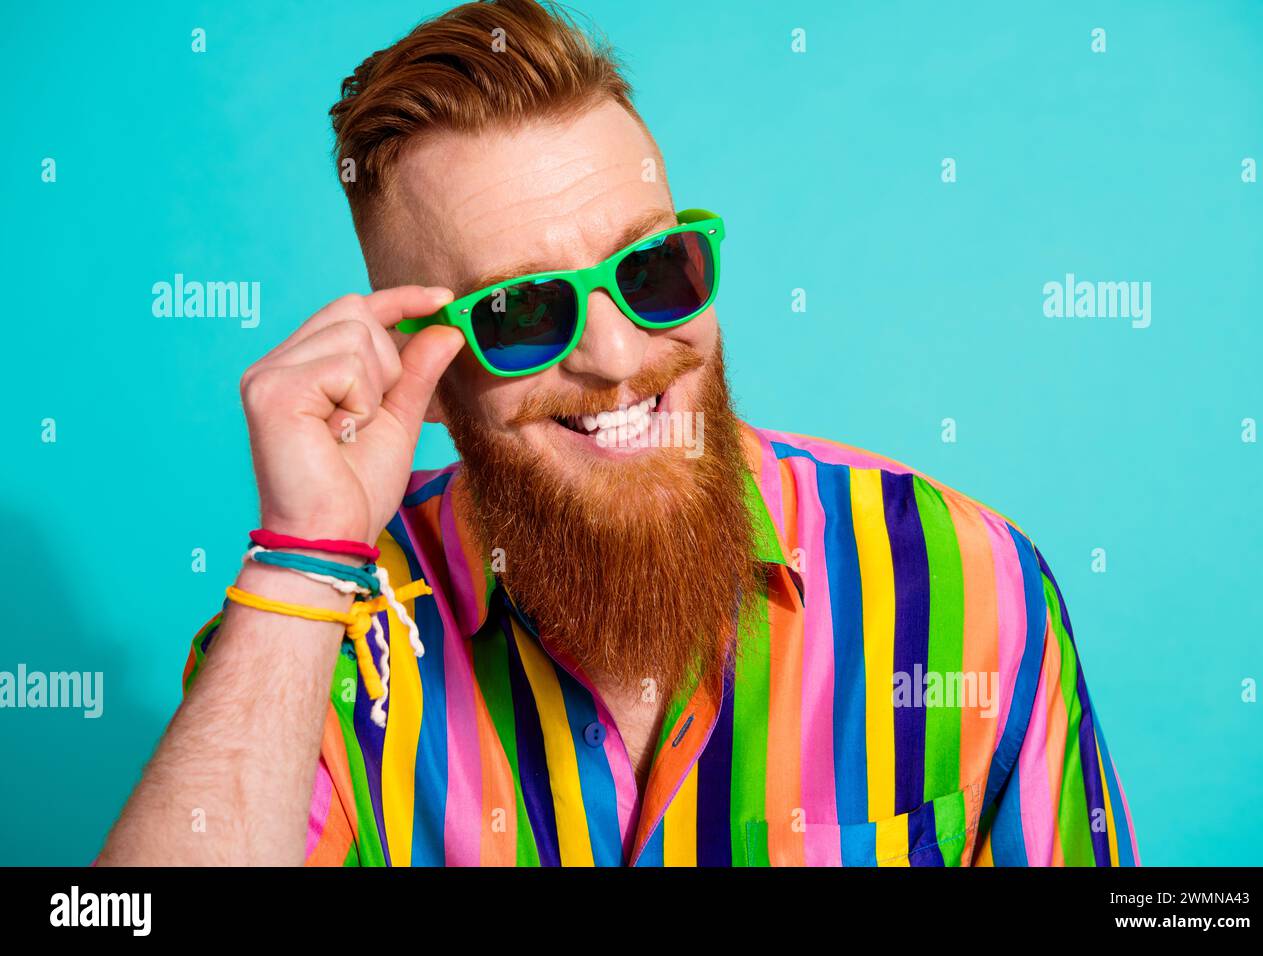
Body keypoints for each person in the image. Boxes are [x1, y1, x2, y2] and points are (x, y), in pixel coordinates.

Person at [100, 0, 1138, 867]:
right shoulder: (323, 636)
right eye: (520, 311)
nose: (615, 352)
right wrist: (305, 553)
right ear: (423, 356)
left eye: (650, 269)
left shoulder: (968, 588)